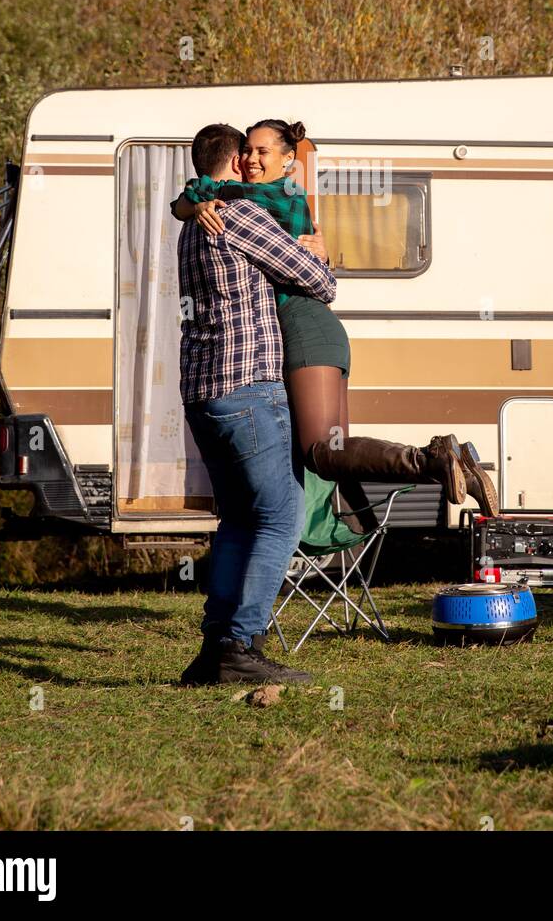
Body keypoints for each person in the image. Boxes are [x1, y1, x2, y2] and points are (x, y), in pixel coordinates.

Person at [172, 118, 498, 517]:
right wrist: (194, 205)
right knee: (334, 454)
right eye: (248, 152)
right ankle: (426, 479)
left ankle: (433, 459)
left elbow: (198, 193)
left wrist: (195, 203)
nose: (251, 160)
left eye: (261, 152)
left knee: (321, 452)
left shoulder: (252, 198)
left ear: (289, 159)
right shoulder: (270, 196)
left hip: (303, 326)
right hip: (318, 329)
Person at [176, 121, 338, 687]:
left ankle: (216, 647)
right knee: (280, 515)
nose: (251, 161)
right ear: (233, 161)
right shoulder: (242, 215)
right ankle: (242, 642)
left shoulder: (193, 226)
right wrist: (313, 250)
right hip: (248, 387)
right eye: (245, 153)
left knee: (238, 520)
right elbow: (319, 282)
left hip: (202, 394)